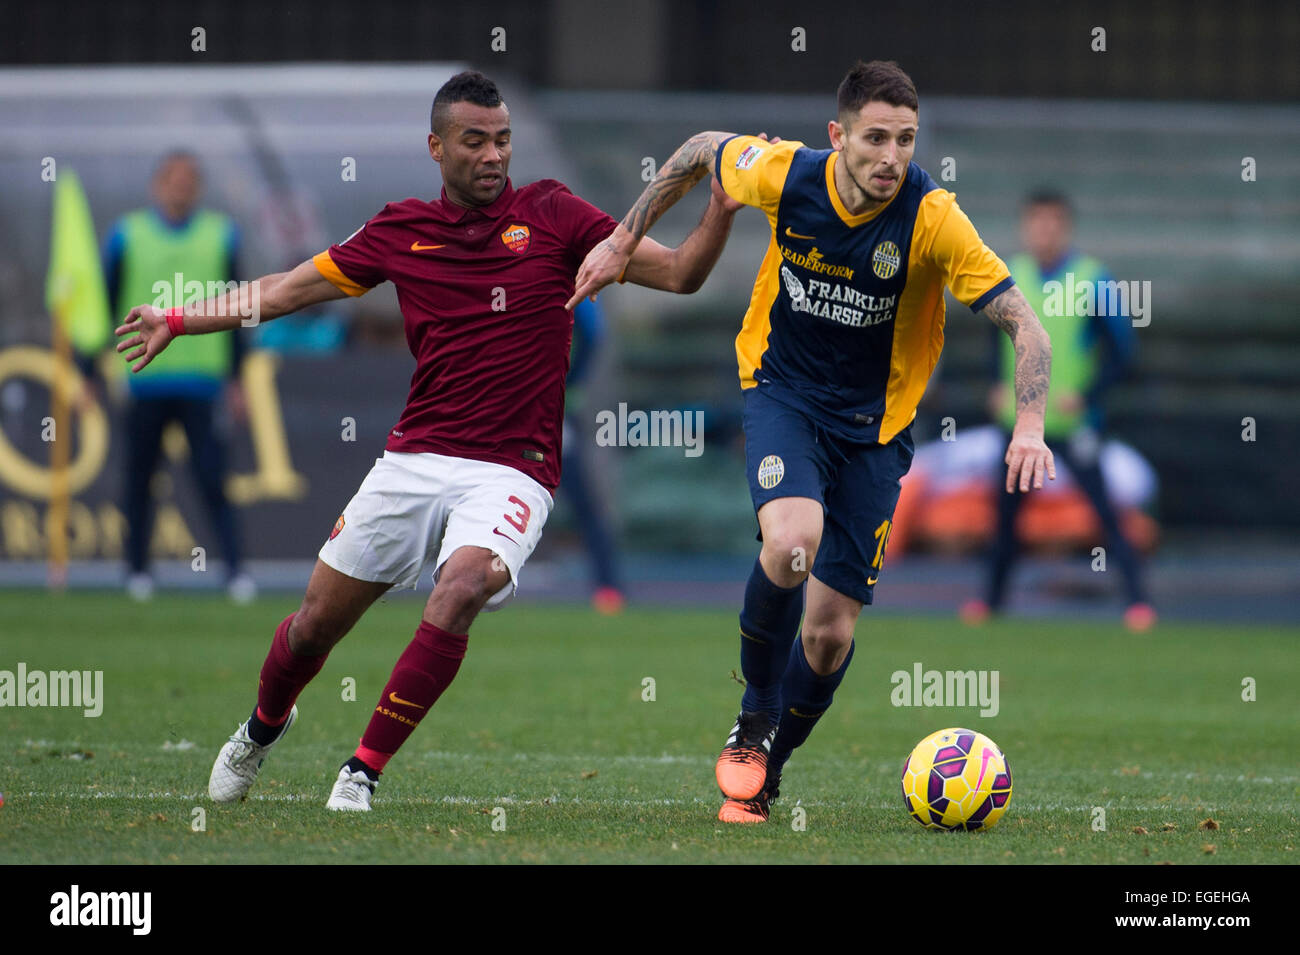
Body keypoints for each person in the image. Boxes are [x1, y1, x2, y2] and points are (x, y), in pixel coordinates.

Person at [116, 71, 744, 811]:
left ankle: (361, 772)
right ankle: (260, 729)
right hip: (415, 458)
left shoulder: (554, 212)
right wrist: (181, 321)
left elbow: (678, 274)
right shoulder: (398, 228)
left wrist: (721, 210)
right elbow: (287, 290)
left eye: (502, 139)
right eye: (474, 140)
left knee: (462, 587)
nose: (492, 155)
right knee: (315, 625)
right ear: (436, 146)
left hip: (515, 469)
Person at [569, 60, 1056, 823]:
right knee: (792, 540)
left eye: (905, 139)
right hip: (782, 395)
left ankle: (765, 769)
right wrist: (623, 239)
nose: (891, 156)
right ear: (838, 137)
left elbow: (1025, 322)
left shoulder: (932, 217)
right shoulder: (788, 174)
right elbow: (702, 146)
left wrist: (1029, 423)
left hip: (877, 431)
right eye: (874, 138)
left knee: (829, 637)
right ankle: (755, 711)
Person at [962, 191, 1154, 631]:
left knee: (1105, 512)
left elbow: (1124, 352)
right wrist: (996, 383)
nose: (1044, 232)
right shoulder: (1011, 275)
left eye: (1052, 223)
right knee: (1005, 516)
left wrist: (1087, 396)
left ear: (1065, 227)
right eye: (1036, 223)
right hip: (1018, 426)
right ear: (1025, 227)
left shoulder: (1092, 279)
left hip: (1073, 424)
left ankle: (1139, 602)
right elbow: (997, 338)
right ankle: (991, 603)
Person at [95, 151, 254, 603]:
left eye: (189, 181)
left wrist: (237, 378)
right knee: (139, 477)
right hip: (143, 378)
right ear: (157, 185)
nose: (180, 188)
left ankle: (235, 571)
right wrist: (89, 370)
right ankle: (137, 572)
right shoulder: (127, 235)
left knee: (211, 477)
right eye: (173, 180)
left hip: (202, 380)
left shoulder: (220, 235)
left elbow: (241, 306)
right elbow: (102, 306)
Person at [563, 297, 626, 613]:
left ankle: (608, 585)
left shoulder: (573, 281)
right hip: (522, 408)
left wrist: (569, 381)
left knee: (585, 504)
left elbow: (594, 331)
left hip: (556, 413)